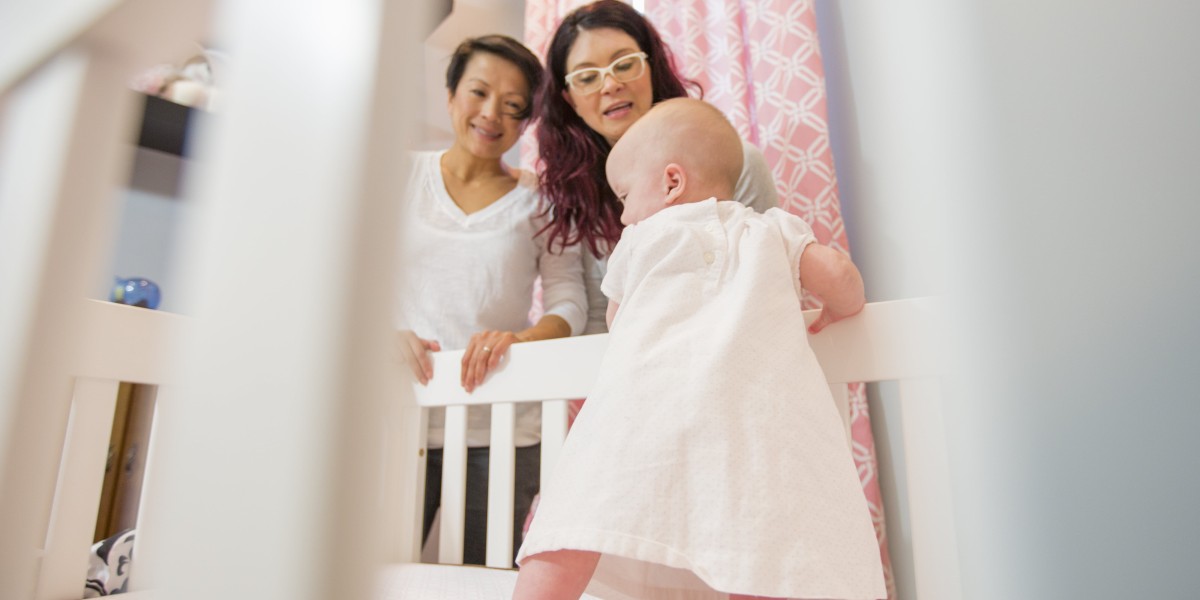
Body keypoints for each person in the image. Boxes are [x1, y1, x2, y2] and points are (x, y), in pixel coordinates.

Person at [513, 99, 886, 600]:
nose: (623, 213)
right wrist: (838, 309)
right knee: (761, 545)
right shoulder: (773, 229)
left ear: (671, 182)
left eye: (624, 196)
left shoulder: (641, 239)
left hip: (640, 416)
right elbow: (841, 279)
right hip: (748, 428)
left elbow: (621, 323)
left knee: (580, 515)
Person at [395, 34, 586, 566]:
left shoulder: (541, 200)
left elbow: (568, 303)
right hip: (399, 417)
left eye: (513, 107)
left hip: (503, 426)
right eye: (478, 92)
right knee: (368, 573)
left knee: (482, 580)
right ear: (452, 93)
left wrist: (518, 340)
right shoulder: (398, 177)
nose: (491, 115)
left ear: (526, 121)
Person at [535, 0, 779, 337]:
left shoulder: (736, 162)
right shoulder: (570, 196)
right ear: (570, 99)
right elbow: (593, 316)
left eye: (624, 64)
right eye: (588, 77)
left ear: (652, 67)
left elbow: (771, 275)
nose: (609, 85)